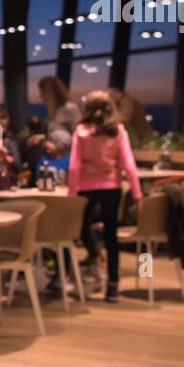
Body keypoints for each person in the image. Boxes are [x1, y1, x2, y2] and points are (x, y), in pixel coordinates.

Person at [69, 90, 142, 303]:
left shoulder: (81, 131)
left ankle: (92, 257)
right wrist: (137, 195)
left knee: (79, 226)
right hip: (112, 187)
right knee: (111, 237)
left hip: (86, 188)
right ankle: (113, 286)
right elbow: (129, 164)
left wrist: (72, 195)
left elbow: (74, 166)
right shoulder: (118, 131)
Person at [30, 76, 81, 159]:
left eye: (42, 92)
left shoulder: (69, 108)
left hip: (68, 159)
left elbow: (79, 137)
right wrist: (43, 137)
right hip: (58, 158)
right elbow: (61, 132)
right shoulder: (54, 110)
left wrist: (58, 148)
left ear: (50, 92)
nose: (40, 95)